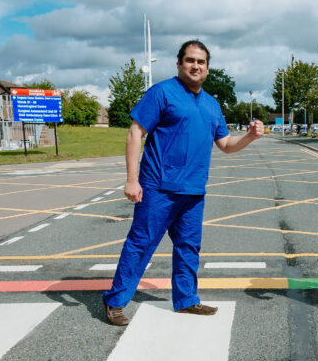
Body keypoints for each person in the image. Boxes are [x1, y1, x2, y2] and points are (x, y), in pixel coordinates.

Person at [103, 40, 264, 326]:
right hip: (158, 187)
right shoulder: (162, 93)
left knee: (189, 247)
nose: (196, 66)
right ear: (179, 64)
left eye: (201, 62)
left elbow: (226, 144)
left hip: (193, 191)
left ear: (207, 68)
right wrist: (131, 179)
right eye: (190, 60)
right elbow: (134, 134)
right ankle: (115, 301)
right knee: (141, 245)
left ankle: (186, 300)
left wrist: (250, 137)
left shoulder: (212, 104)